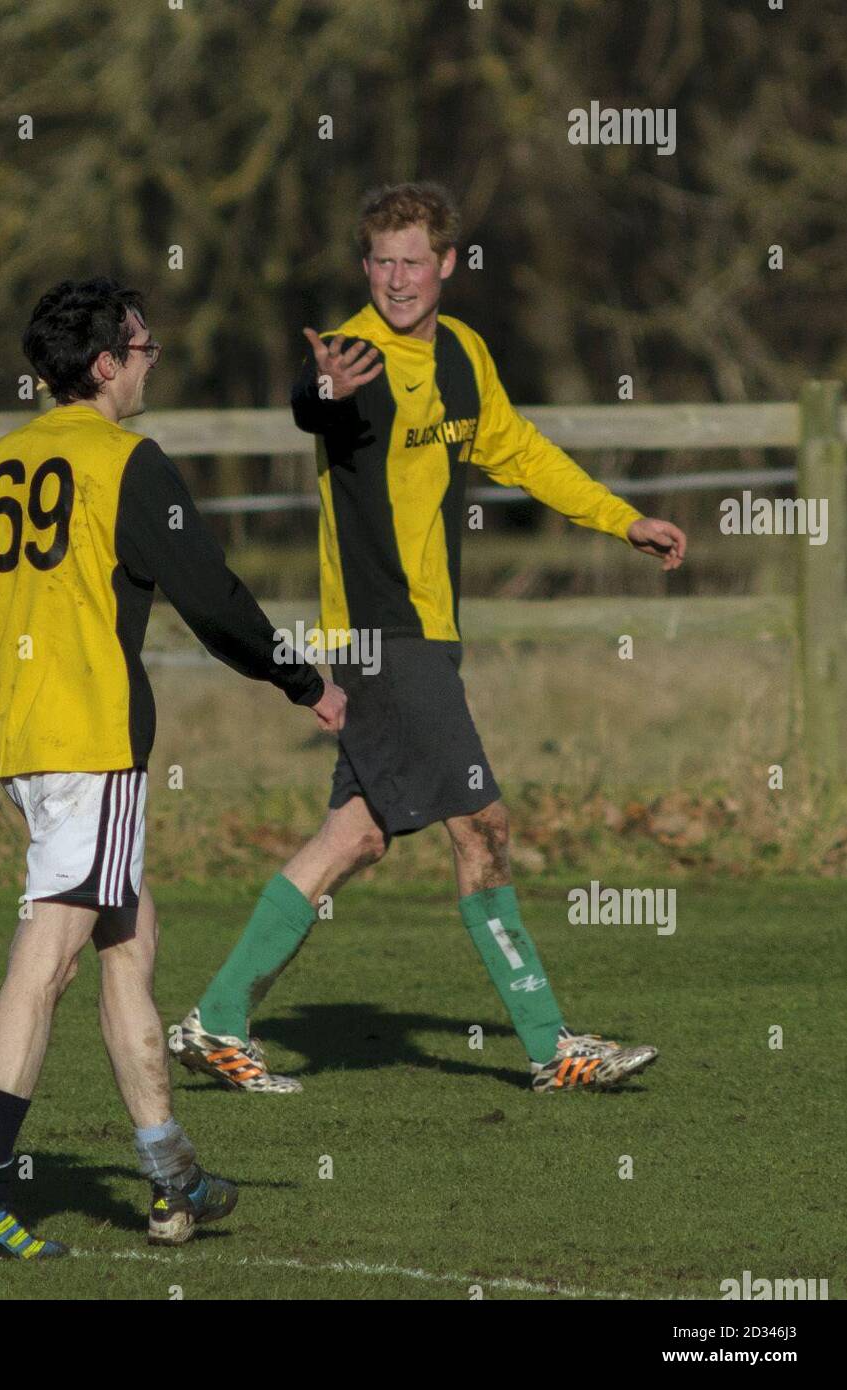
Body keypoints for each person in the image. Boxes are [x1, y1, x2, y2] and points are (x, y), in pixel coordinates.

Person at [173, 183, 687, 1096]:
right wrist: (320, 387)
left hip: (430, 633)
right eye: (380, 261)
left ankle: (216, 1020)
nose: (396, 278)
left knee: (356, 837)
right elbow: (315, 399)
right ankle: (548, 1045)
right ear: (362, 266)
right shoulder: (353, 356)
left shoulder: (463, 353)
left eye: (413, 260)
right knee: (481, 826)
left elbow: (519, 451)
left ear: (448, 263)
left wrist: (622, 520)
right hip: (383, 636)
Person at [0, 277, 346, 1259]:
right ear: (105, 365)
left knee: (128, 945)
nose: (149, 366)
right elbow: (211, 594)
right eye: (144, 350)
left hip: (28, 749)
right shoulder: (124, 462)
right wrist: (302, 680)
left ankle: (174, 1181)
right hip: (88, 746)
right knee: (44, 963)